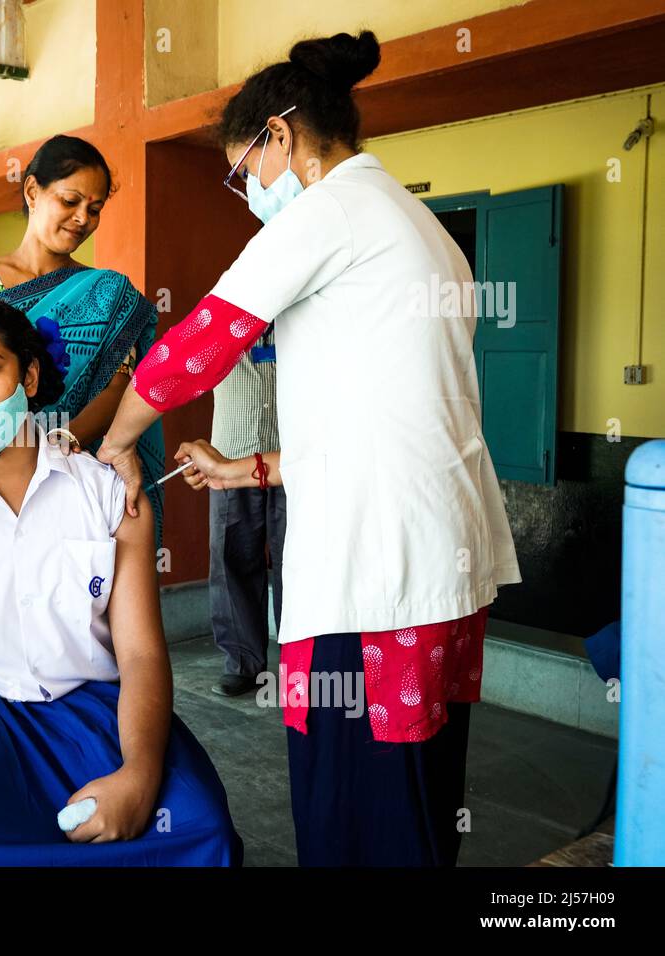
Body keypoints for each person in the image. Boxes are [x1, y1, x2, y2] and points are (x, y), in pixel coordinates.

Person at [95, 30, 520, 866]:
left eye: (244, 171)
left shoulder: (330, 212)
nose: (250, 192)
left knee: (357, 808)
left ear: (280, 135)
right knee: (418, 795)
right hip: (436, 557)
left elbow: (202, 341)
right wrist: (247, 468)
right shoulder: (417, 225)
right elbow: (387, 419)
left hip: (378, 577)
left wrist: (116, 439)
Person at [0, 299, 242, 866]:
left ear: (29, 376)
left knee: (201, 828)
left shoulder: (107, 493)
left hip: (89, 711)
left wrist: (137, 773)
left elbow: (140, 654)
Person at [0, 135, 167, 536]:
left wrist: (58, 447)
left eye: (95, 209)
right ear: (32, 191)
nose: (83, 218)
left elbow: (118, 384)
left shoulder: (106, 292)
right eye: (70, 201)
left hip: (74, 474)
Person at [206, 327, 286, 698]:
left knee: (298, 562)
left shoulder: (306, 315)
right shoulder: (224, 316)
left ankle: (300, 662)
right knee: (232, 560)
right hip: (231, 455)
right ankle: (242, 663)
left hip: (292, 455)